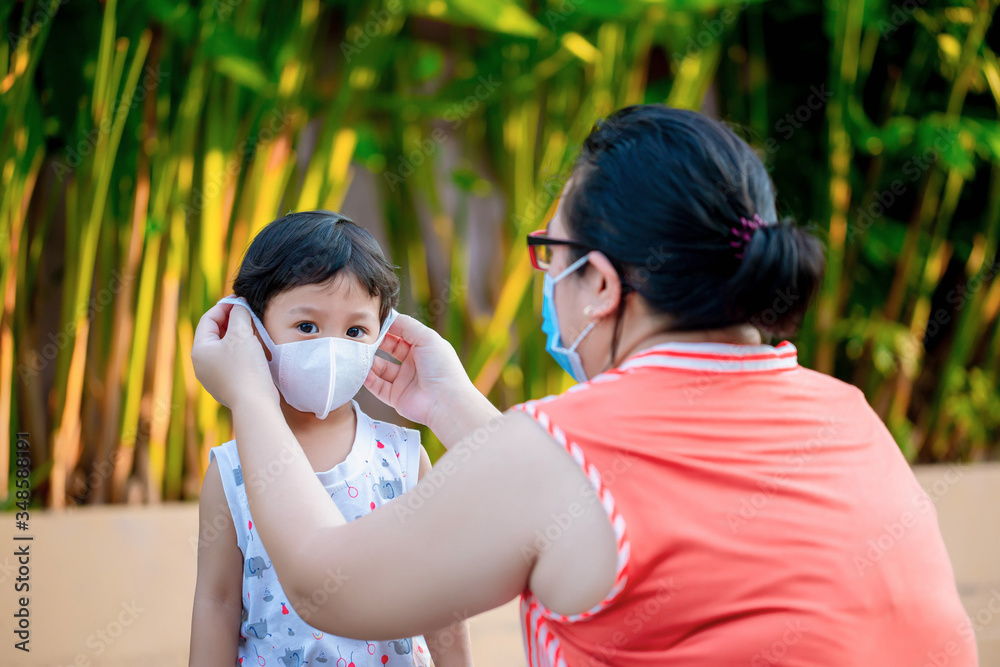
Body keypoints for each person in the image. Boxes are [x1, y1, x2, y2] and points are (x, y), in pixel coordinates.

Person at [191, 106, 976, 666]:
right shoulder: (850, 416)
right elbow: (585, 499)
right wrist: (448, 403)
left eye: (548, 252)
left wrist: (250, 391)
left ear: (597, 282)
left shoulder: (564, 446)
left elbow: (328, 583)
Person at [188, 212, 472, 667]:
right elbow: (217, 602)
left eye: (355, 330)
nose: (332, 347)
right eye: (307, 326)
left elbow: (441, 600)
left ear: (382, 332)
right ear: (252, 328)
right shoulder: (229, 471)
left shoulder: (403, 458)